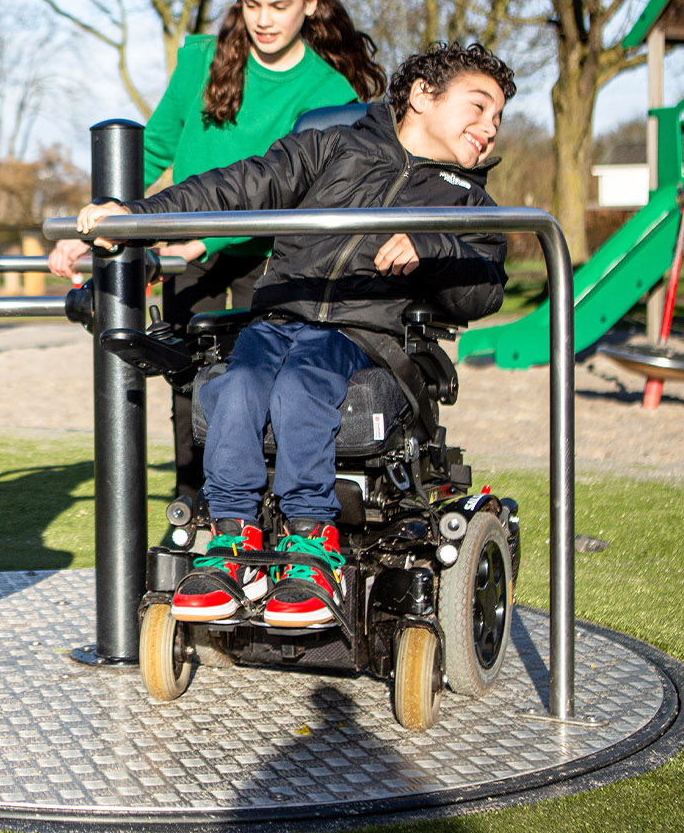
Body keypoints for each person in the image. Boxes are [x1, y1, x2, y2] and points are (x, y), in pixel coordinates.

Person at [73, 43, 513, 627]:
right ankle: (233, 538)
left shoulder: (467, 201)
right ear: (422, 96)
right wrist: (139, 217)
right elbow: (241, 186)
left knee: (302, 385)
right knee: (234, 385)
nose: (489, 128)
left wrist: (436, 246)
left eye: (499, 119)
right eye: (478, 107)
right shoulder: (337, 146)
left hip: (364, 334)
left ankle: (312, 544)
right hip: (281, 316)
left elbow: (484, 290)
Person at [48, 0, 384, 502]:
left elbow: (297, 191)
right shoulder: (202, 59)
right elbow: (153, 149)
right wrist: (104, 227)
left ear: (312, 4)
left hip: (272, 257)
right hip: (183, 247)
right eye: (252, 4)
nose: (264, 20)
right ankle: (193, 507)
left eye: (280, 5)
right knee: (188, 381)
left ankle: (262, 511)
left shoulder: (330, 91)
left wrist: (211, 237)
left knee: (263, 381)